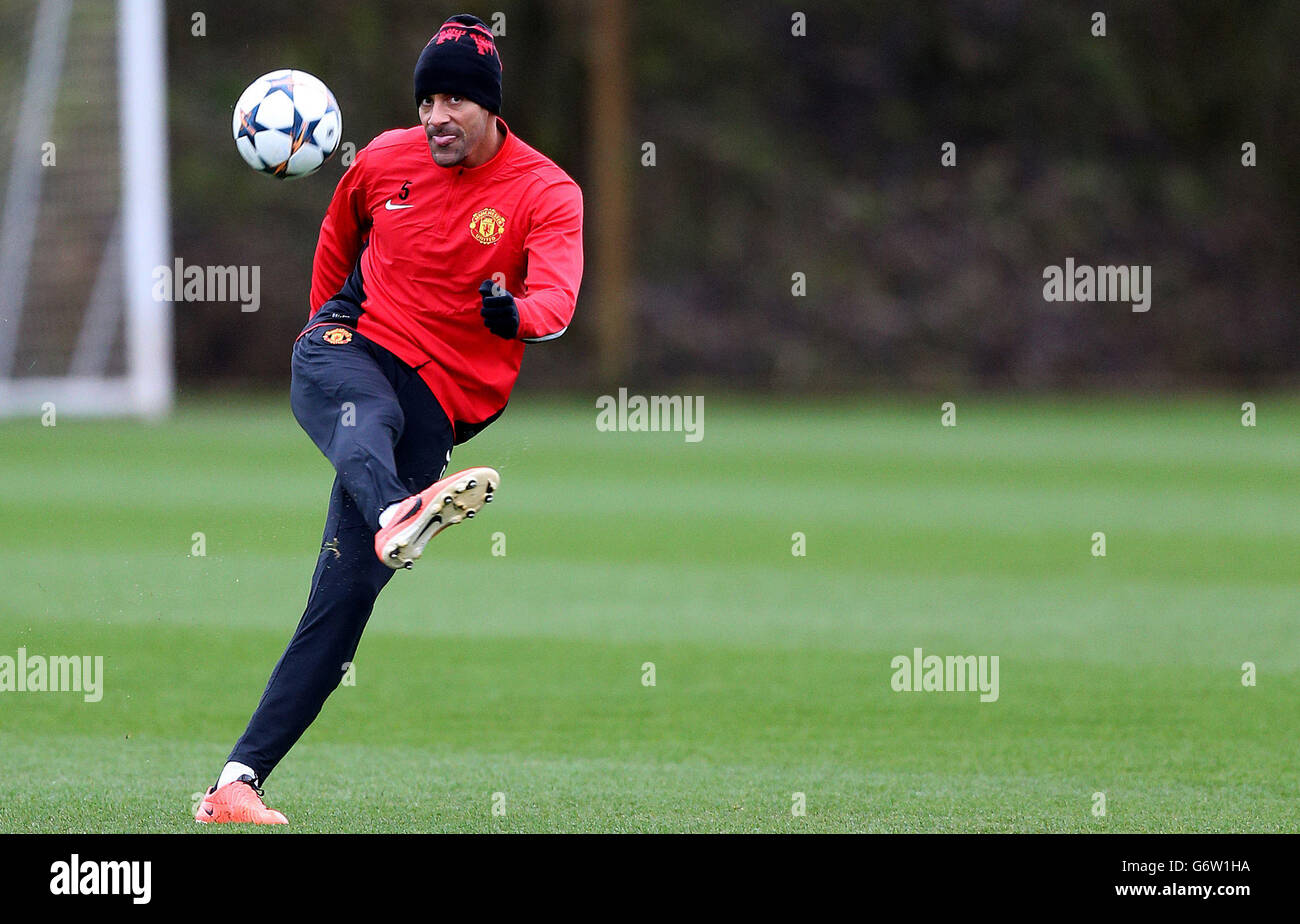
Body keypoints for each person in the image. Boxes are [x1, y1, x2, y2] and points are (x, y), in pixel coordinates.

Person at [195, 13, 584, 824]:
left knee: (344, 598)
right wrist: (321, 339)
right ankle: (398, 508)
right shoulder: (382, 159)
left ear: (490, 107)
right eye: (427, 99)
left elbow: (557, 302)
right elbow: (338, 239)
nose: (436, 115)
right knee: (361, 409)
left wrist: (511, 312)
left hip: (438, 400)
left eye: (454, 100)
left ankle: (236, 782)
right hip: (352, 342)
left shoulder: (546, 191)